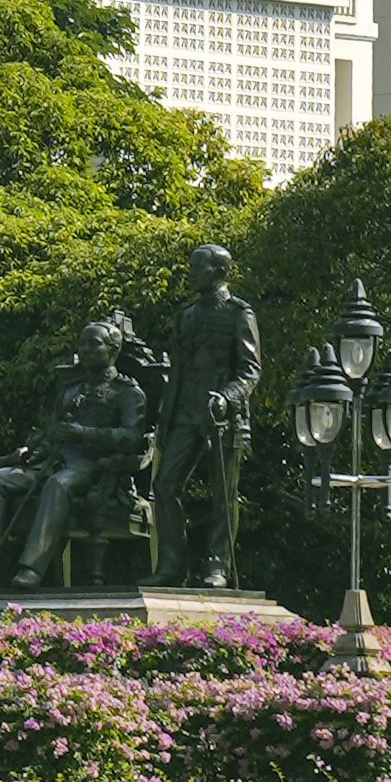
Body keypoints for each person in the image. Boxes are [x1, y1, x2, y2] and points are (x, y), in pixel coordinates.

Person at [0, 317, 157, 590]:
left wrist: (84, 434)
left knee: (59, 485)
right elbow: (51, 433)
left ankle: (31, 569)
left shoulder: (128, 393)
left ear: (113, 351)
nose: (85, 350)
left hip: (91, 466)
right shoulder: (71, 388)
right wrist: (32, 454)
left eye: (94, 344)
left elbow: (131, 438)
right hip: (52, 461)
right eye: (82, 344)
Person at [148, 244, 261, 590]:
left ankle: (217, 565)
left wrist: (227, 398)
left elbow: (251, 370)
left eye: (197, 267)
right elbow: (178, 370)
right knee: (164, 485)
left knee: (223, 493)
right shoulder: (186, 314)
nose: (190, 273)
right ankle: (172, 564)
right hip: (185, 411)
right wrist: (165, 418)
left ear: (218, 272)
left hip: (223, 415)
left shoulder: (239, 313)